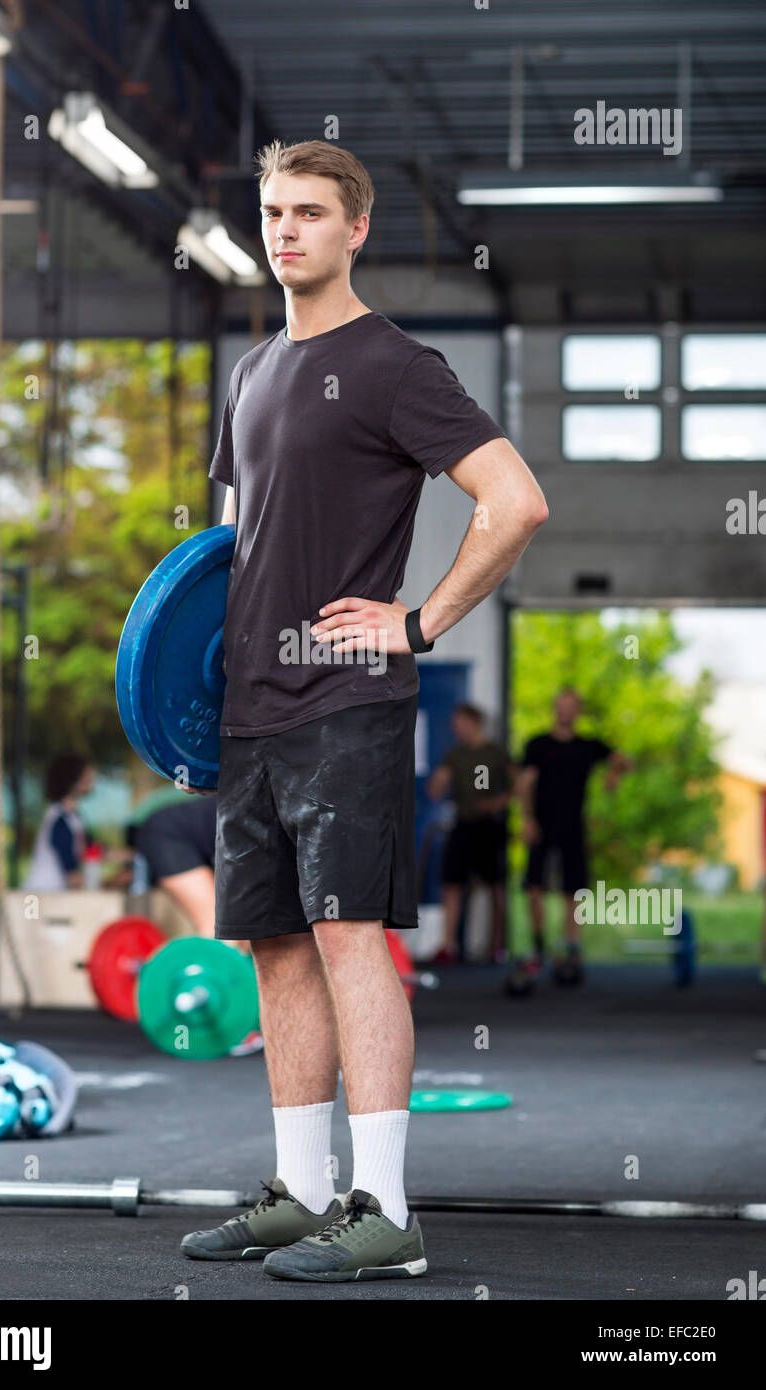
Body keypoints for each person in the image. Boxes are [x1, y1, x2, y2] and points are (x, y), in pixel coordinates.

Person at [180, 138, 548, 1283]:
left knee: (348, 939)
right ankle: (299, 1189)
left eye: (307, 213)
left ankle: (383, 1210)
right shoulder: (248, 376)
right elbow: (222, 559)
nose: (283, 230)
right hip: (248, 708)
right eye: (271, 212)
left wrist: (417, 620)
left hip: (345, 700)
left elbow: (515, 499)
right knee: (274, 946)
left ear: (355, 232)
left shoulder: (393, 365)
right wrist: (188, 700)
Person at [127, 793, 263, 1056]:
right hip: (168, 835)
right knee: (219, 925)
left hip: (200, 842)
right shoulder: (267, 812)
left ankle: (236, 1015)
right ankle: (216, 1020)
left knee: (245, 927)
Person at [516, 687, 633, 978]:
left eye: (570, 706)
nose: (564, 711)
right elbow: (524, 783)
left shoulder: (588, 746)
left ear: (578, 711)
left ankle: (571, 946)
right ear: (554, 709)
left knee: (574, 888)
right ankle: (539, 946)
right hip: (542, 824)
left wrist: (613, 774)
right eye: (560, 705)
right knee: (534, 886)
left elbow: (624, 761)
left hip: (573, 825)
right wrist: (527, 820)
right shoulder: (538, 744)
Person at [426, 704, 515, 965]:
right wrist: (438, 783)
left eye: (460, 722)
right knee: (451, 884)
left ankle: (498, 946)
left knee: (495, 886)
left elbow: (518, 785)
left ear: (474, 722)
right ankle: (449, 945)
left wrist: (497, 803)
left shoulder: (496, 753)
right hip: (462, 825)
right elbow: (436, 786)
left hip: (489, 826)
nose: (456, 728)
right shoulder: (454, 754)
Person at [24, 755, 124, 892]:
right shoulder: (59, 821)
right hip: (45, 892)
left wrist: (133, 855)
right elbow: (72, 876)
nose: (93, 780)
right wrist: (111, 883)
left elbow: (94, 849)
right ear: (73, 780)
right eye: (88, 776)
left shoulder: (73, 818)